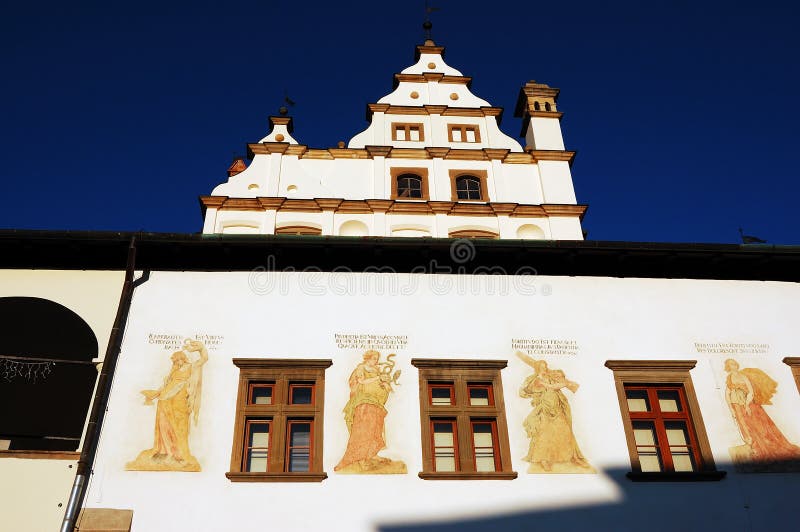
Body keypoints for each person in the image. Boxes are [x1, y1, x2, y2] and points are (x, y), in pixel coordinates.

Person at [126, 339, 208, 471]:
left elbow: (204, 358)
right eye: (174, 361)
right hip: (164, 400)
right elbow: (165, 385)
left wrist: (200, 348)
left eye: (177, 360)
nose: (176, 363)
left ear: (183, 358)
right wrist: (155, 394)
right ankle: (166, 450)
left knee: (178, 426)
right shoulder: (174, 371)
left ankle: (178, 453)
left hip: (179, 401)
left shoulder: (191, 367)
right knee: (164, 425)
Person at [519, 357, 590, 472]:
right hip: (545, 409)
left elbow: (559, 381)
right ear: (537, 369)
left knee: (566, 431)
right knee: (544, 434)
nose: (544, 369)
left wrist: (564, 382)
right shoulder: (536, 380)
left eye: (545, 367)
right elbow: (548, 387)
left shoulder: (550, 378)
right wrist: (562, 384)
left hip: (558, 408)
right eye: (541, 367)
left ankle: (573, 456)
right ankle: (543, 460)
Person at [335, 350, 401, 472]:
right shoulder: (361, 368)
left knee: (375, 427)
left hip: (375, 402)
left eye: (376, 359)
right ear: (367, 358)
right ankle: (360, 458)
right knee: (364, 428)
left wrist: (386, 385)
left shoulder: (376, 370)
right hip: (363, 402)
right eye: (373, 358)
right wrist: (378, 378)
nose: (375, 361)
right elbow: (362, 382)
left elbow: (381, 382)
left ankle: (371, 454)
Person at [724, 358, 800, 464]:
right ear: (728, 367)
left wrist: (746, 405)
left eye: (734, 364)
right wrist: (731, 408)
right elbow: (727, 394)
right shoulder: (729, 378)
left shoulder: (744, 376)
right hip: (737, 406)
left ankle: (768, 447)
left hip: (750, 404)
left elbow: (750, 392)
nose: (733, 366)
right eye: (730, 364)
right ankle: (755, 447)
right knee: (745, 426)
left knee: (760, 425)